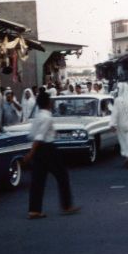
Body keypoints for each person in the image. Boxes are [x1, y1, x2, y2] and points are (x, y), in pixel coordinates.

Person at [22, 91, 80, 219]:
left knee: (37, 180)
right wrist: (30, 153)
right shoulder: (47, 117)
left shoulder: (38, 116)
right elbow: (39, 136)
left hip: (39, 151)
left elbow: (32, 134)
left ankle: (34, 210)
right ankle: (66, 205)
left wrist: (33, 153)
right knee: (62, 176)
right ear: (48, 103)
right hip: (48, 148)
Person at [109, 82, 128, 169]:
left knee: (123, 141)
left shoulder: (117, 100)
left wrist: (112, 124)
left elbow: (114, 113)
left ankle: (125, 154)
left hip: (121, 125)